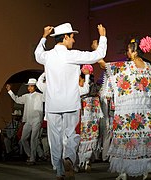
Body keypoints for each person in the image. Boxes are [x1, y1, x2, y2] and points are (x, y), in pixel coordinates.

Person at [34, 22, 107, 179]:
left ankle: (59, 171)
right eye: (72, 37)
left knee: (55, 139)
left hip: (53, 105)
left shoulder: (47, 56)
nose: (73, 41)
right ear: (65, 37)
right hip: (70, 103)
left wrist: (44, 37)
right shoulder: (72, 55)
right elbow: (97, 55)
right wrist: (103, 36)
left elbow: (37, 54)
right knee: (72, 135)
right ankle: (69, 158)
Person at [100, 36, 151, 180]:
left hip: (126, 109)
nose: (127, 53)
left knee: (126, 138)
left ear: (134, 51)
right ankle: (146, 171)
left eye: (128, 50)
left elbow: (104, 65)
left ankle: (123, 172)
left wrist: (99, 46)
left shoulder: (124, 67)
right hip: (145, 110)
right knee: (144, 138)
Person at [6, 78, 44, 165]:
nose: (29, 88)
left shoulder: (40, 95)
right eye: (29, 86)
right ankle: (30, 155)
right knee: (23, 139)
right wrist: (10, 91)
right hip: (28, 120)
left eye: (31, 86)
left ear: (35, 87)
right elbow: (16, 99)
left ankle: (32, 159)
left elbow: (48, 98)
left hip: (36, 120)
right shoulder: (26, 96)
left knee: (33, 139)